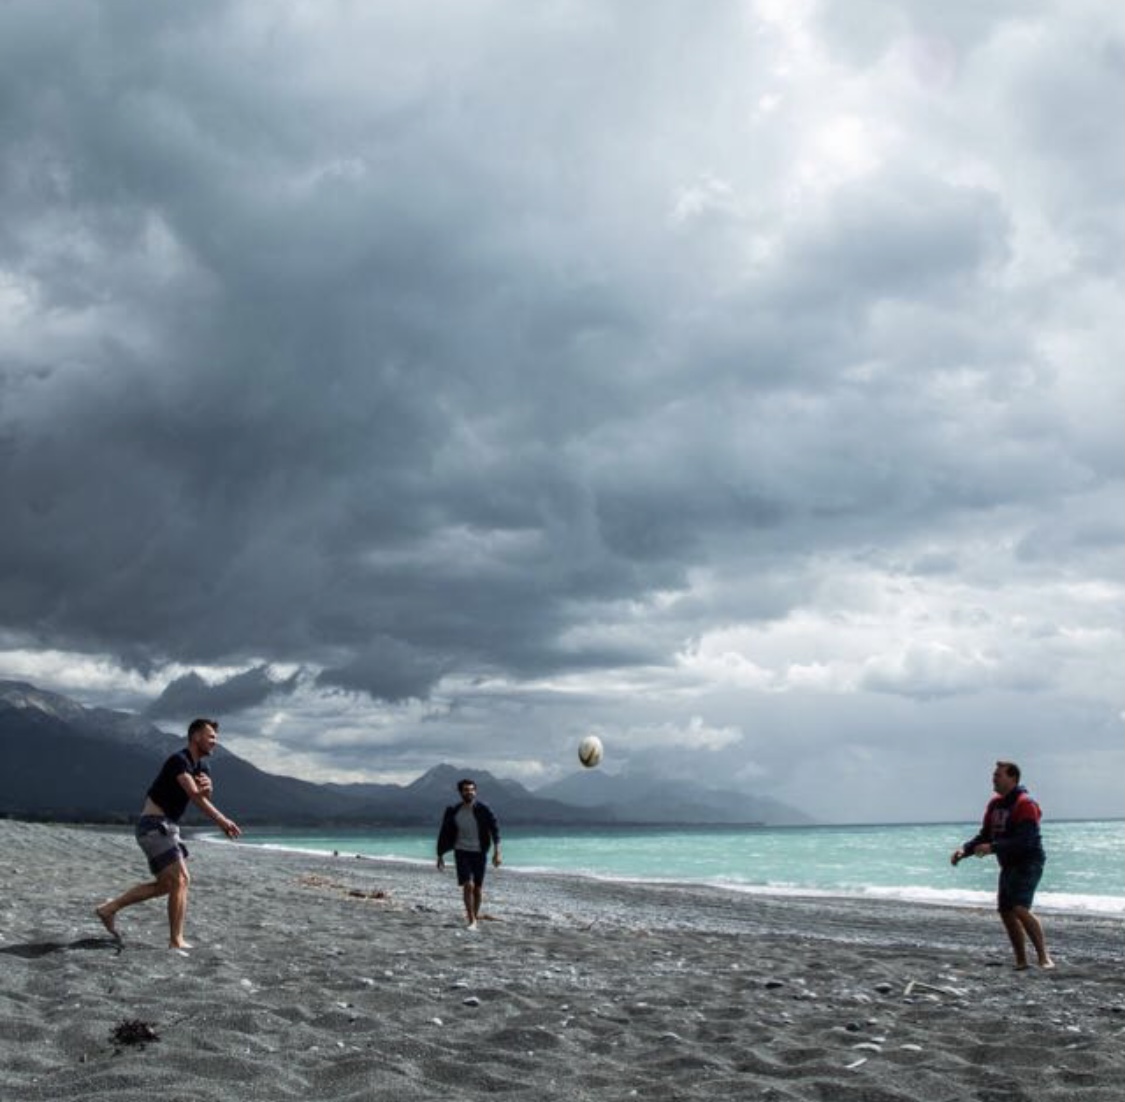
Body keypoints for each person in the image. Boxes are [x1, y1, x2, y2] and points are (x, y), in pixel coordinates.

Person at [95, 717, 241, 949]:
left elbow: (201, 798)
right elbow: (193, 794)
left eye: (216, 737)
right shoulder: (179, 761)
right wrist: (222, 820)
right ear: (196, 736)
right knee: (181, 879)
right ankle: (176, 940)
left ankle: (109, 908)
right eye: (211, 736)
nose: (215, 741)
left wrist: (208, 791)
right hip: (154, 826)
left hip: (168, 828)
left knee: (167, 885)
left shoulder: (203, 767)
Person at [951, 760, 1054, 971]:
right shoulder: (995, 804)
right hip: (1008, 863)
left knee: (1020, 907)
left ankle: (1044, 958)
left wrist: (993, 847)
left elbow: (1025, 840)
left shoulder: (1025, 804)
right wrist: (965, 851)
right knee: (1006, 910)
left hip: (1028, 861)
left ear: (1012, 778)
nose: (994, 779)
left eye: (998, 775)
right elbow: (985, 835)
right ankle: (1021, 960)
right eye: (994, 775)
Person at [436, 778, 502, 929]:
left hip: (480, 852)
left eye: (472, 790)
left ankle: (474, 917)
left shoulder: (483, 809)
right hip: (462, 851)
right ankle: (471, 919)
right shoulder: (454, 811)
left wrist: (497, 852)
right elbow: (443, 833)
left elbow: (495, 830)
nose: (470, 792)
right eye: (466, 790)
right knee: (468, 885)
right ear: (461, 792)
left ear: (475, 792)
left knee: (478, 888)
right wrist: (440, 855)